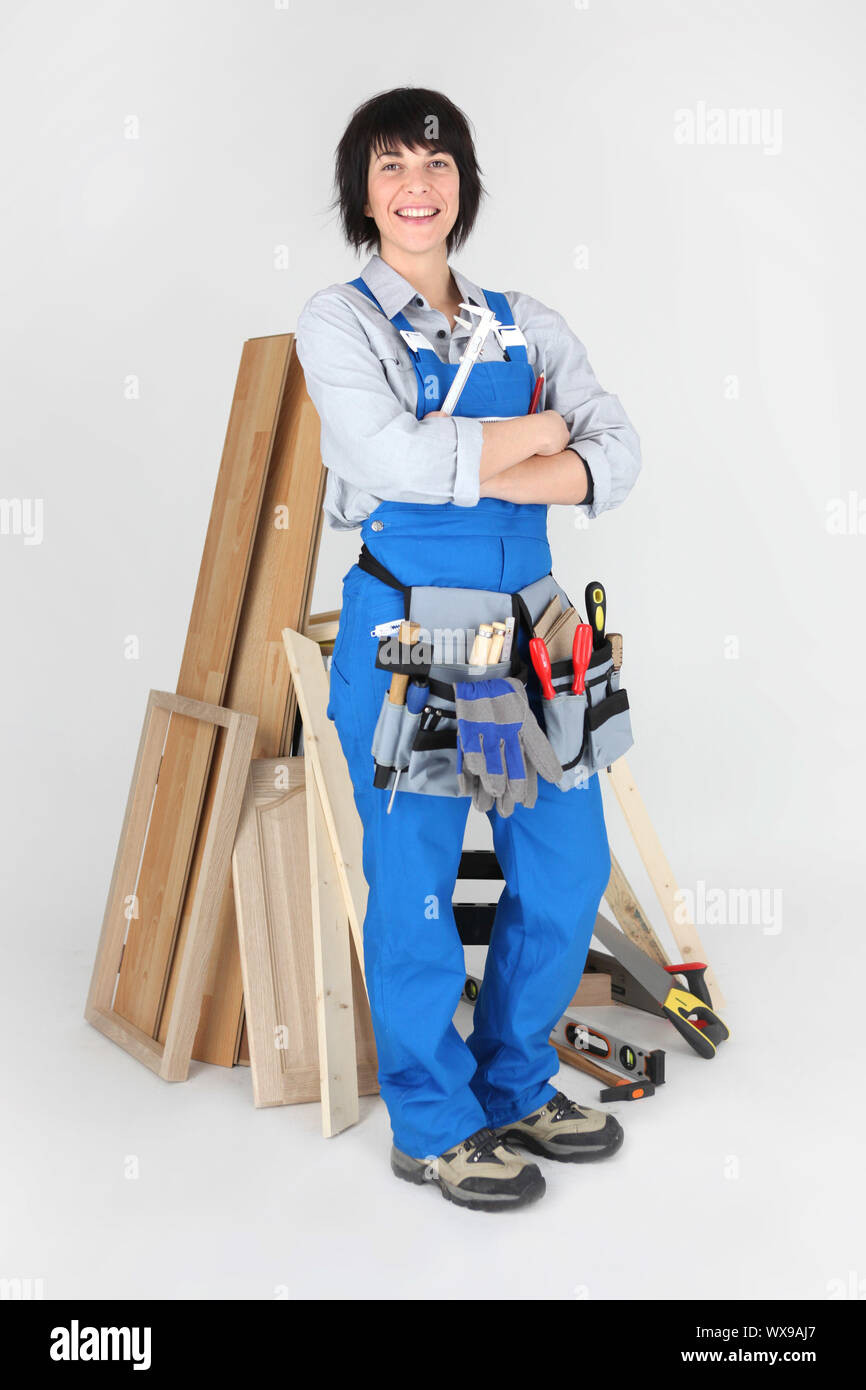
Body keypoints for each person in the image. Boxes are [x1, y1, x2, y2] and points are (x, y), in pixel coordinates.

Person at [295, 87, 641, 1212]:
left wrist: (494, 450)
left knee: (565, 867)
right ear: (362, 191)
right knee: (418, 891)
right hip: (414, 639)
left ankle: (515, 1079)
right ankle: (433, 1121)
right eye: (391, 166)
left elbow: (617, 454)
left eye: (436, 166)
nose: (416, 186)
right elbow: (388, 463)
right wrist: (544, 431)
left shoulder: (525, 318)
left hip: (531, 642)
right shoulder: (336, 322)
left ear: (462, 186)